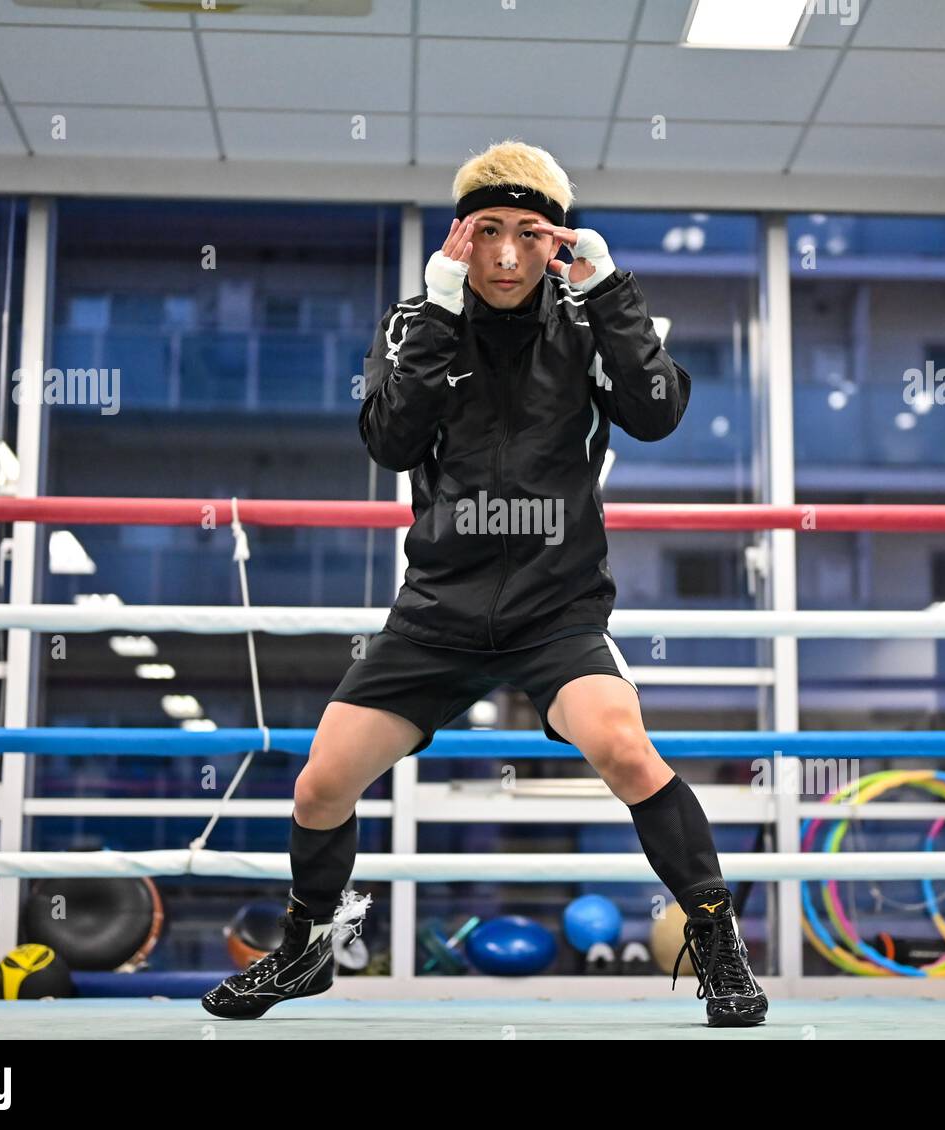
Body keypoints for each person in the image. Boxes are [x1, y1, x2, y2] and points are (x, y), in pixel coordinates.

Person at [202, 140, 767, 1027]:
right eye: (489, 231)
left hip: (557, 607)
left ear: (560, 242)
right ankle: (307, 947)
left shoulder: (591, 318)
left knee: (623, 746)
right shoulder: (415, 319)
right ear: (462, 237)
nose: (507, 256)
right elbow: (390, 443)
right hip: (438, 612)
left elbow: (656, 412)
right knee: (320, 785)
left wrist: (612, 290)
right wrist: (435, 311)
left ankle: (717, 943)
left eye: (530, 234)